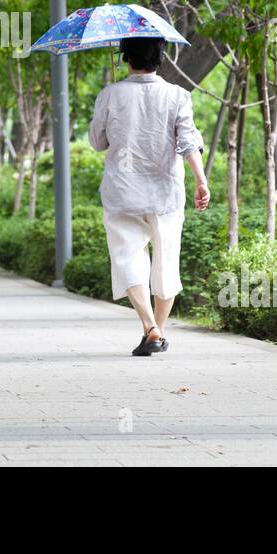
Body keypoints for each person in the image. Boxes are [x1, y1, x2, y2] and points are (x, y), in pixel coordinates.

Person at [88, 35, 211, 357]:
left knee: (128, 258)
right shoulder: (178, 95)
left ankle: (150, 329)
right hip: (165, 194)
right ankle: (158, 330)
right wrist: (201, 180)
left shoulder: (110, 94)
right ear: (161, 59)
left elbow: (97, 142)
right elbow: (188, 141)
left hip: (122, 193)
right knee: (166, 261)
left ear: (125, 58)